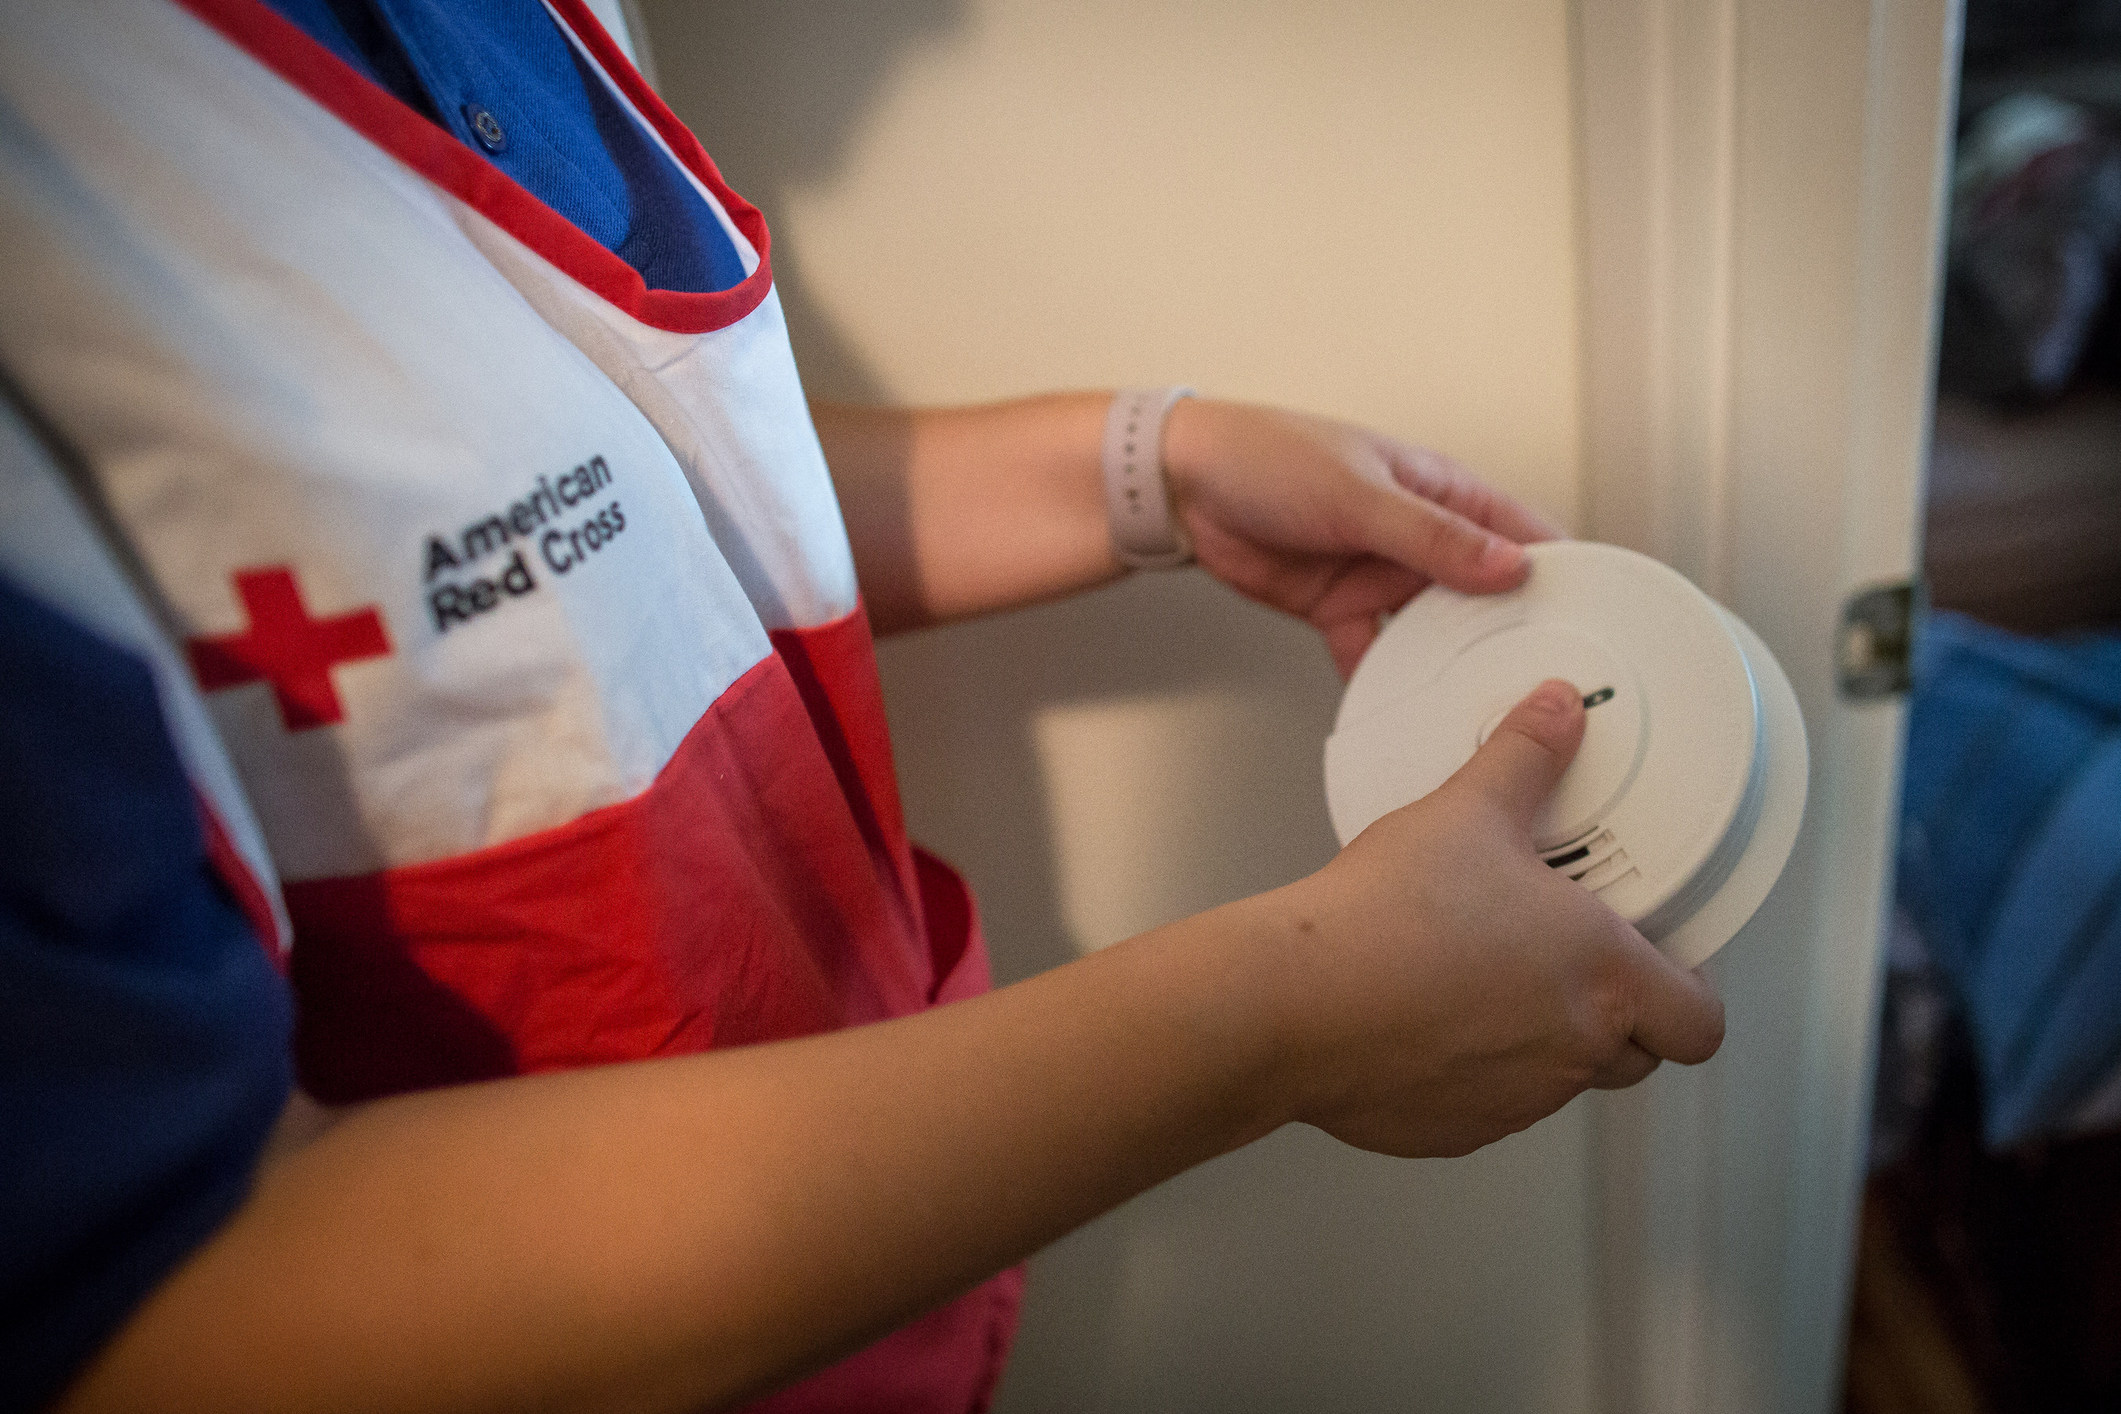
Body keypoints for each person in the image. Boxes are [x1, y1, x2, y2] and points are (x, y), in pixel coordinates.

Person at [0, 1, 1727, 1411]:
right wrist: (1282, 1017)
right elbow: (158, 1313)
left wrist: (1148, 467)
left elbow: (612, 511)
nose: (935, 41)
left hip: (862, 1296)